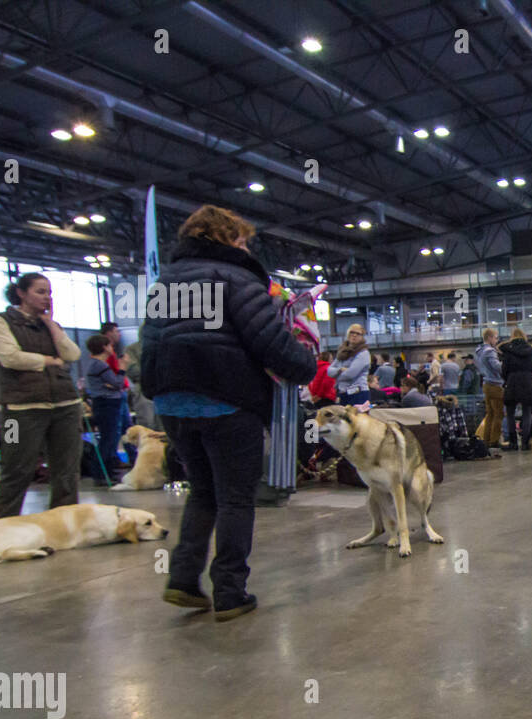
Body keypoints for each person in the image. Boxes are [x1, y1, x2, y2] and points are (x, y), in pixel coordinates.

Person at [141, 204, 315, 621]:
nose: (245, 246)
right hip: (226, 402)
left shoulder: (165, 282)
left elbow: (150, 343)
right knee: (236, 498)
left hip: (172, 403)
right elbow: (269, 341)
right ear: (224, 239)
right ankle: (230, 592)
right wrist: (307, 362)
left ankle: (183, 580)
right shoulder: (236, 277)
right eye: (241, 239)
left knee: (203, 492)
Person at [0, 272, 83, 521]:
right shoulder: (0, 321)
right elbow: (10, 357)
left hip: (65, 406)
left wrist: (51, 325)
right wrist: (49, 360)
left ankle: (65, 525)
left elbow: (72, 354)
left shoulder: (51, 326)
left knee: (66, 472)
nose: (46, 297)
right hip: (17, 411)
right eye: (40, 291)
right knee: (15, 470)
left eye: (49, 292)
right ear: (21, 293)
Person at [84, 333, 127, 485]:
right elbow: (117, 383)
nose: (112, 348)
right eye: (109, 345)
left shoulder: (95, 365)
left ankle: (106, 472)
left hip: (104, 403)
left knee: (108, 439)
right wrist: (122, 370)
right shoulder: (100, 365)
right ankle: (102, 475)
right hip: (107, 404)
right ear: (104, 347)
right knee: (108, 440)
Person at [500, 328, 532, 451]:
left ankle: (513, 443)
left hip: (512, 382)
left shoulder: (508, 350)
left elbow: (504, 369)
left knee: (510, 414)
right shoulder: (530, 349)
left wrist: (507, 379)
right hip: (527, 381)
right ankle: (525, 443)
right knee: (527, 413)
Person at [476, 328, 504, 451]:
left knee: (490, 414)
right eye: (495, 337)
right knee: (499, 414)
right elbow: (497, 367)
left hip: (486, 384)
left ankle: (486, 440)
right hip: (495, 385)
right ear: (489, 338)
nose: (496, 340)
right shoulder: (490, 351)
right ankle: (494, 440)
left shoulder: (480, 350)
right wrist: (506, 364)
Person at [328, 324, 371, 406]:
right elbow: (329, 371)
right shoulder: (342, 352)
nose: (354, 335)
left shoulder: (363, 353)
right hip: (343, 393)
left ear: (362, 337)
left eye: (358, 333)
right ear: (347, 334)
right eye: (352, 332)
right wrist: (340, 369)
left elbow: (350, 374)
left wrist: (336, 376)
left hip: (359, 394)